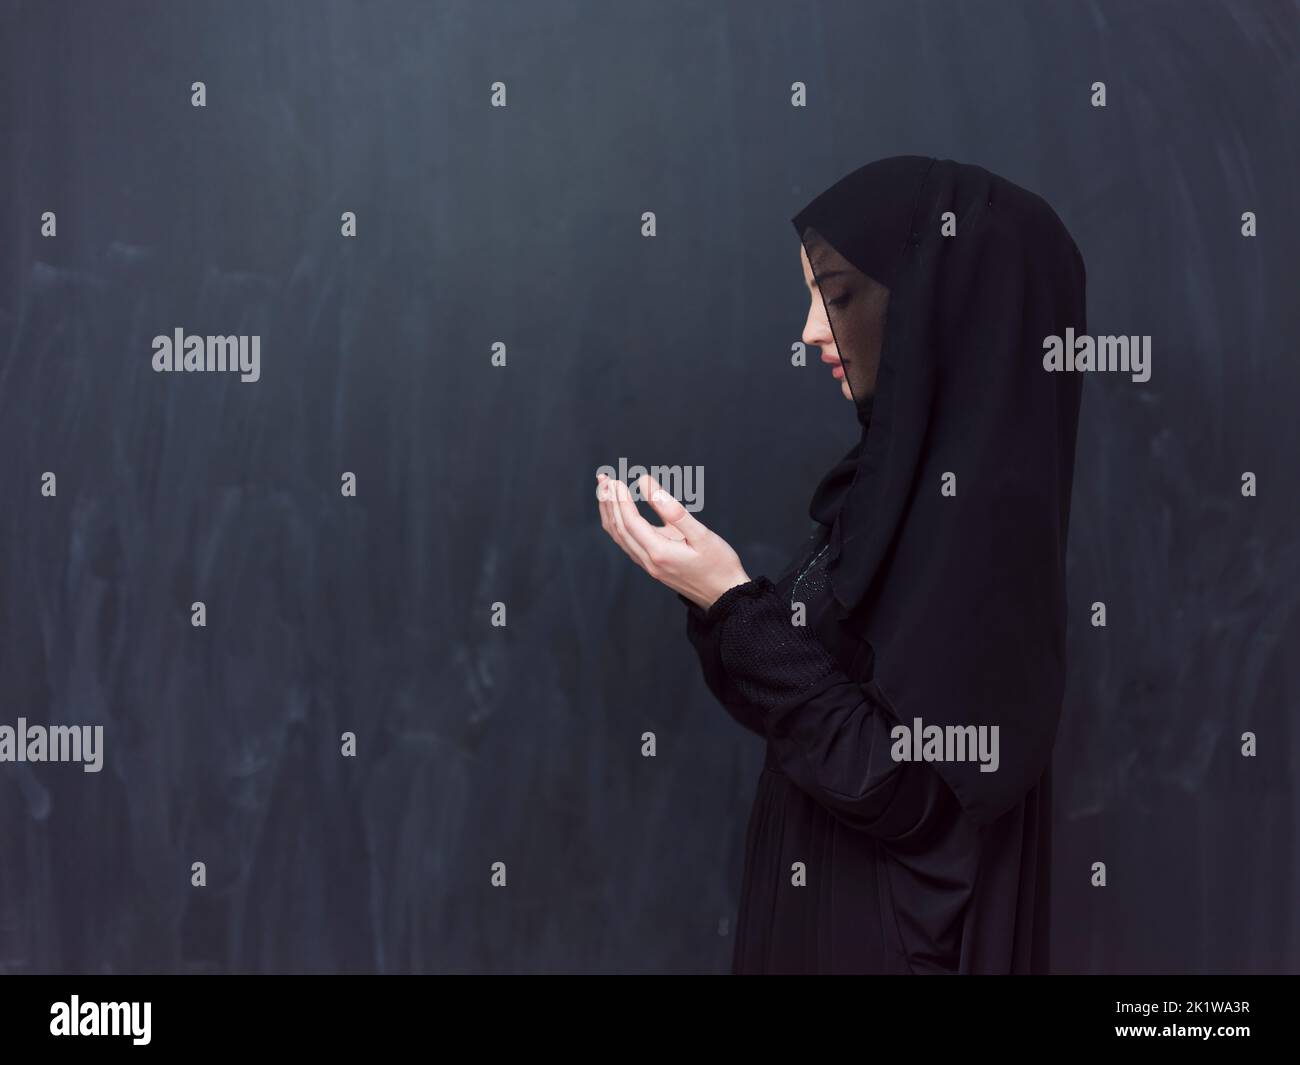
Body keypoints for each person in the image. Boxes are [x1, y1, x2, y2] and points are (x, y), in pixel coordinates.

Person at [596, 155, 1086, 974]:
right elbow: (802, 713)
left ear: (939, 308)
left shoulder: (983, 529)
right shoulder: (882, 496)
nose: (811, 331)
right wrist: (716, 594)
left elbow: (900, 788)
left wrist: (733, 602)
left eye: (839, 293)